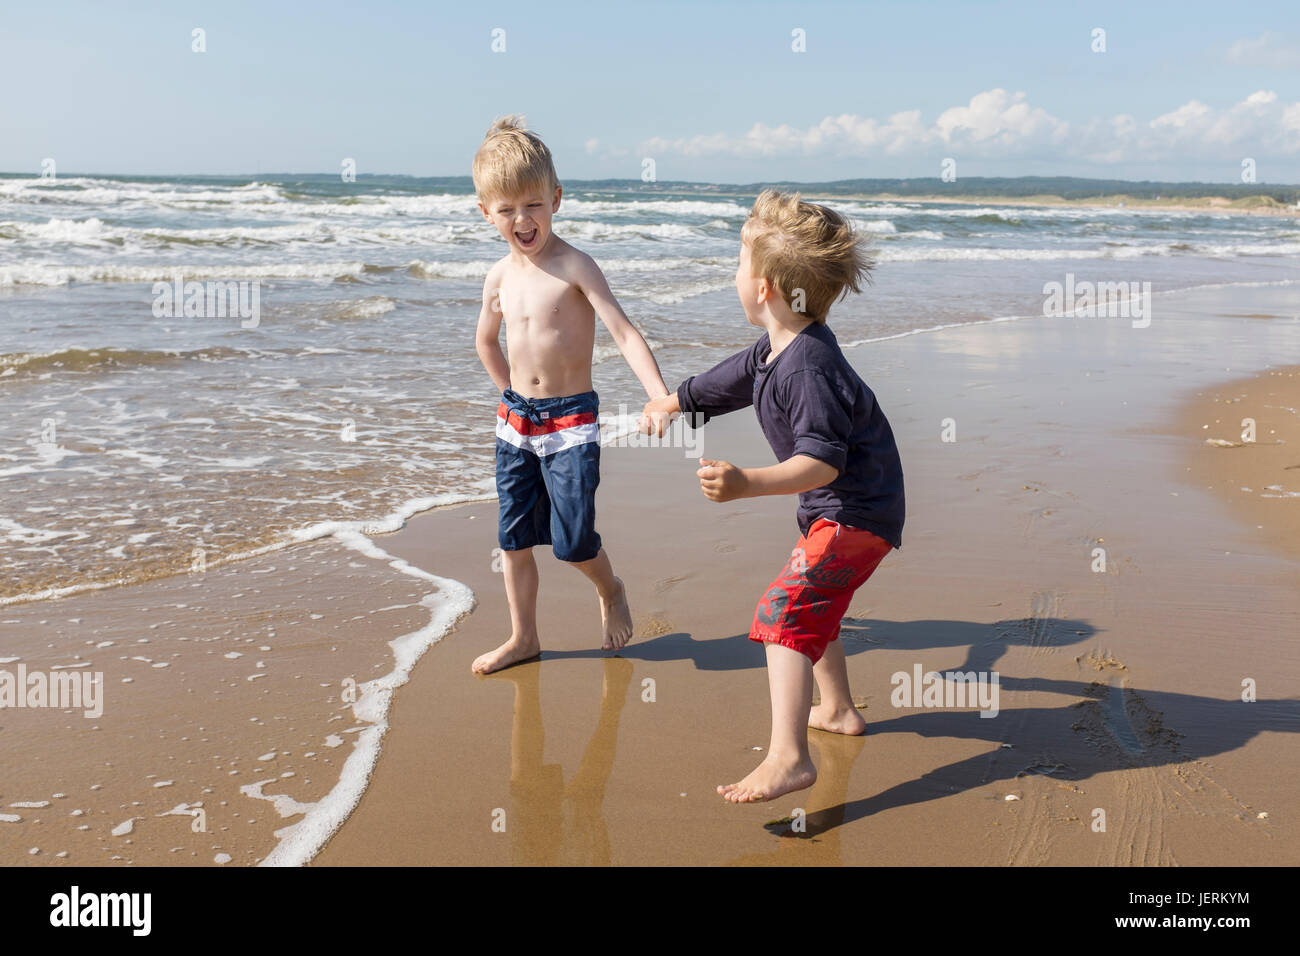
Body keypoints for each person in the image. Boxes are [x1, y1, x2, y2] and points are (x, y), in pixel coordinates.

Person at [641, 190, 905, 802]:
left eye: (738, 264)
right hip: (846, 512)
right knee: (816, 606)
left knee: (783, 613)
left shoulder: (808, 368)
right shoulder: (777, 347)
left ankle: (789, 757)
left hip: (854, 513)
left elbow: (821, 461)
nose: (734, 275)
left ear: (763, 288)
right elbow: (728, 380)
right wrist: (675, 400)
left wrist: (746, 484)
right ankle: (836, 709)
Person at [471, 115, 671, 675]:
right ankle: (524, 636)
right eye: (506, 209)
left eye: (532, 204)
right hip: (517, 421)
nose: (522, 219)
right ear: (486, 212)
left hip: (570, 421)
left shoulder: (575, 266)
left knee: (573, 539)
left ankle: (610, 589)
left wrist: (657, 395)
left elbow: (624, 332)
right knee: (513, 537)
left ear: (555, 198)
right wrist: (508, 394)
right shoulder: (497, 279)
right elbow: (486, 342)